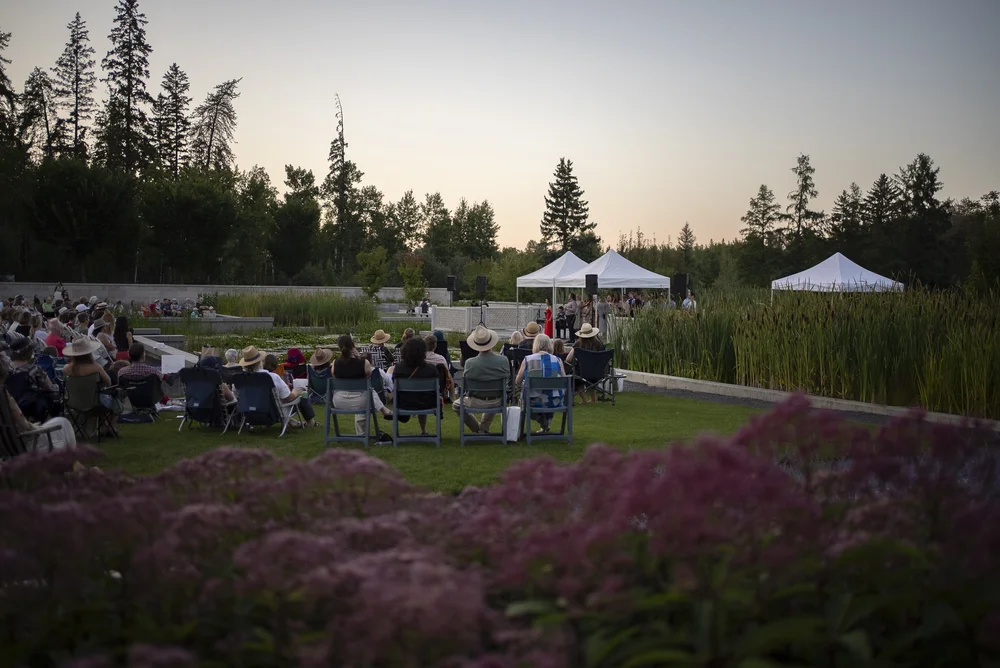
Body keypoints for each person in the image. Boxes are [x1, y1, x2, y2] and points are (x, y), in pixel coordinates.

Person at [0, 363, 76, 451]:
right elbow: (25, 427)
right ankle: (73, 462)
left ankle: (73, 462)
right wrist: (34, 427)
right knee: (63, 422)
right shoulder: (3, 396)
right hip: (25, 445)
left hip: (6, 449)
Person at [238, 346, 316, 427]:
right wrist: (297, 391)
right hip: (273, 413)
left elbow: (237, 397)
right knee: (303, 395)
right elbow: (289, 397)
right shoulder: (271, 377)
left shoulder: (240, 378)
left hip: (249, 414)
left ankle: (293, 422)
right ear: (260, 362)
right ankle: (311, 423)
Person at [331, 335, 393, 435]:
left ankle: (363, 432)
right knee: (369, 392)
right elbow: (368, 376)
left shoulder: (335, 363)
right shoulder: (364, 363)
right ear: (353, 345)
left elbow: (334, 376)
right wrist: (359, 357)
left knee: (368, 392)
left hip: (338, 401)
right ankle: (383, 411)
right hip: (360, 401)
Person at [452, 325, 508, 434]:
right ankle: (482, 429)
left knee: (457, 405)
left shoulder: (470, 363)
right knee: (492, 394)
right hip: (498, 400)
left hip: (476, 400)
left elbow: (466, 382)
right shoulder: (503, 360)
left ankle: (477, 428)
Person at [62, 338, 122, 436]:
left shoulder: (66, 369)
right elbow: (109, 383)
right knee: (116, 398)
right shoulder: (96, 368)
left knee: (102, 398)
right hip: (94, 403)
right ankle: (110, 426)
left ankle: (104, 427)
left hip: (73, 403)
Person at [391, 337, 445, 436]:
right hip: (427, 403)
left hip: (405, 403)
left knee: (417, 395)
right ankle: (424, 431)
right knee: (422, 395)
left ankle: (422, 431)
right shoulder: (431, 369)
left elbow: (393, 383)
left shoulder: (399, 368)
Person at [514, 334, 566, 434]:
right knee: (549, 394)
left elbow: (517, 381)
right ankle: (545, 423)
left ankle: (541, 421)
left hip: (533, 401)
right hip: (554, 401)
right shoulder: (558, 360)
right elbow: (564, 381)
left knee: (529, 396)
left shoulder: (528, 360)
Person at [7, 338, 59, 421]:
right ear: (28, 352)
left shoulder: (5, 369)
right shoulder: (34, 369)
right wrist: (57, 387)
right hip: (30, 407)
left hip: (9, 406)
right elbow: (49, 387)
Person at [565, 323, 606, 404]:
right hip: (598, 372)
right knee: (588, 378)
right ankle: (593, 399)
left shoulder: (578, 344)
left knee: (575, 376)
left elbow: (568, 359)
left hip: (582, 373)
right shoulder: (599, 344)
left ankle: (584, 399)